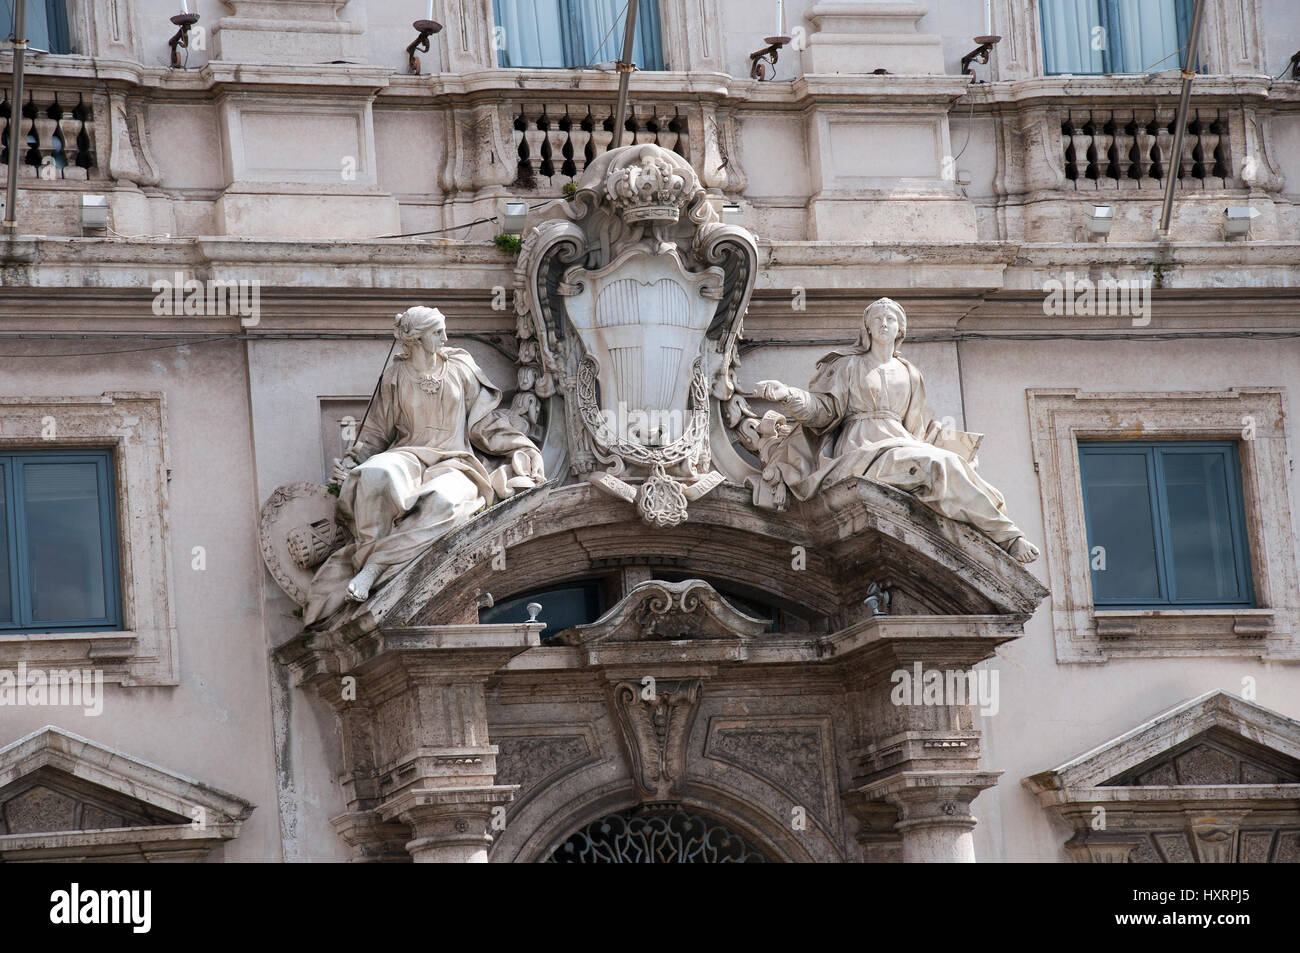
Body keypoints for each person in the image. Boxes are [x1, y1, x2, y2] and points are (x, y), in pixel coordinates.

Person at [302, 306, 545, 625]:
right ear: (416, 339)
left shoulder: (461, 367)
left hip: (456, 462)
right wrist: (353, 462)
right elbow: (376, 431)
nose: (445, 337)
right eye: (437, 332)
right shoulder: (396, 375)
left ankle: (375, 566)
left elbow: (483, 424)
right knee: (375, 474)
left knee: (443, 501)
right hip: (410, 455)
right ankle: (370, 559)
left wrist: (520, 449)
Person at [753, 297, 1039, 563]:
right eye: (876, 319)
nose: (883, 323)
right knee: (939, 465)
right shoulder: (847, 364)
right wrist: (788, 395)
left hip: (900, 443)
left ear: (900, 328)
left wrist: (954, 446)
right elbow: (822, 411)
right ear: (867, 327)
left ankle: (1005, 534)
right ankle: (1008, 537)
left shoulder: (910, 373)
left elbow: (916, 430)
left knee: (949, 464)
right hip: (860, 449)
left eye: (890, 318)